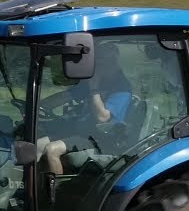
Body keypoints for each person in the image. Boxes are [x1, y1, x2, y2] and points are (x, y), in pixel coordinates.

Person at [37, 42, 132, 174]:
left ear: (115, 63)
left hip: (101, 139)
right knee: (37, 146)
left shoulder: (122, 88)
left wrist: (94, 88)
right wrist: (38, 104)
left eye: (107, 61)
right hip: (82, 132)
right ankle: (34, 187)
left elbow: (102, 117)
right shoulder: (98, 81)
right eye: (99, 61)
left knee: (52, 150)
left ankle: (55, 192)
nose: (102, 66)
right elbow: (66, 96)